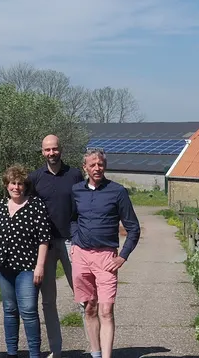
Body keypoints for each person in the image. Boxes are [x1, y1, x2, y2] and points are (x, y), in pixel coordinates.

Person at [70, 148, 141, 358]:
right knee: (90, 308)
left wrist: (122, 256)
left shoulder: (117, 192)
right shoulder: (76, 191)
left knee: (106, 310)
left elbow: (133, 228)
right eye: (92, 164)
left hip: (106, 258)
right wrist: (74, 242)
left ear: (105, 166)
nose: (97, 168)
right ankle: (96, 353)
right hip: (81, 256)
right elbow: (72, 219)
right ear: (85, 167)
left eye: (100, 164)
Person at [27, 133, 85, 358]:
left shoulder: (74, 175)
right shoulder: (34, 178)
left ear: (61, 149)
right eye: (47, 150)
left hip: (72, 242)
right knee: (48, 301)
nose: (51, 153)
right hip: (45, 246)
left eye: (55, 149)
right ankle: (56, 351)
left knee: (83, 295)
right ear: (42, 152)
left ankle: (95, 348)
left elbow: (83, 207)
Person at [0, 164, 52, 358]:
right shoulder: (0, 206)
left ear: (25, 186)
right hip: (4, 267)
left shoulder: (35, 205)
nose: (16, 187)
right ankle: (12, 353)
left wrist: (40, 266)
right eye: (12, 183)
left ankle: (34, 353)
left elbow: (44, 239)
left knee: (28, 311)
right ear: (6, 185)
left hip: (28, 267)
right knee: (9, 310)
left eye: (19, 184)